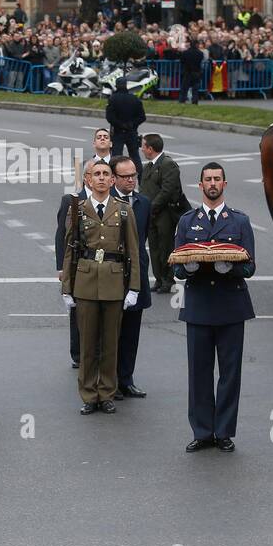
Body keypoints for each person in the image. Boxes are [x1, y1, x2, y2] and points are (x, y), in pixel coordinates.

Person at [174, 163, 256, 453]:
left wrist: (229, 268)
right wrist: (190, 267)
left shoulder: (239, 221)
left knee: (230, 373)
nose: (212, 183)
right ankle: (202, 431)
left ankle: (223, 432)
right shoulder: (187, 221)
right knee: (199, 373)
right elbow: (177, 269)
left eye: (217, 179)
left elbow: (250, 267)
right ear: (200, 186)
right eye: (207, 179)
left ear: (224, 184)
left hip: (231, 305)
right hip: (198, 306)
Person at [61, 159, 140, 414]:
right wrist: (66, 287)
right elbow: (70, 249)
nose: (102, 178)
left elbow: (133, 251)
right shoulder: (78, 208)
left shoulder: (124, 210)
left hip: (114, 281)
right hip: (85, 281)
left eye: (106, 174)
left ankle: (106, 392)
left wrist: (134, 287)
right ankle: (88, 394)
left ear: (113, 180)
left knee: (109, 344)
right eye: (97, 174)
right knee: (87, 344)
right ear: (88, 180)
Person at [110, 155, 151, 398]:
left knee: (132, 332)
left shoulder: (143, 202)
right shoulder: (106, 201)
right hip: (112, 275)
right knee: (110, 331)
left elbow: (144, 237)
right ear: (114, 178)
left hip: (137, 275)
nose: (131, 180)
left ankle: (127, 378)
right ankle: (109, 380)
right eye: (125, 177)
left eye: (134, 175)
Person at [54, 161, 92, 368]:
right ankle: (78, 354)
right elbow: (62, 234)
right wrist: (61, 267)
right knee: (78, 309)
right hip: (77, 264)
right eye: (96, 174)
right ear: (87, 177)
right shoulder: (71, 200)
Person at [140, 133, 186, 293]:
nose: (141, 149)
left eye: (143, 146)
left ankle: (168, 279)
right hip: (151, 214)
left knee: (166, 247)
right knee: (154, 247)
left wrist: (151, 207)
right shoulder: (148, 167)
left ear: (150, 148)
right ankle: (159, 279)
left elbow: (167, 190)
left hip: (165, 214)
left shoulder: (168, 164)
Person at [106, 80, 146, 162]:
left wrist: (120, 125)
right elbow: (142, 117)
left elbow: (110, 117)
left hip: (118, 132)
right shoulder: (134, 99)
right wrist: (132, 124)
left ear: (116, 86)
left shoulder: (113, 99)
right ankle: (139, 173)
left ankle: (116, 173)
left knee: (116, 156)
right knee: (135, 156)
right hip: (132, 131)